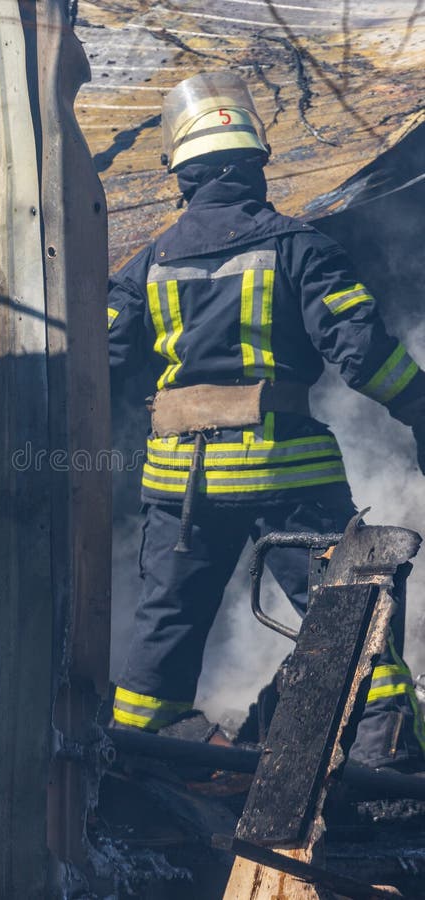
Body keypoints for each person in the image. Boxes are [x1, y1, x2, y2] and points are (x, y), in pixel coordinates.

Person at [107, 71, 425, 769]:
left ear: (180, 176)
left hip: (181, 487)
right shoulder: (298, 246)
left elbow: (95, 364)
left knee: (165, 631)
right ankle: (384, 760)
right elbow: (360, 350)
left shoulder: (144, 265)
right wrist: (420, 409)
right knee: (348, 616)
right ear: (255, 166)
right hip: (287, 476)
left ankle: (141, 768)